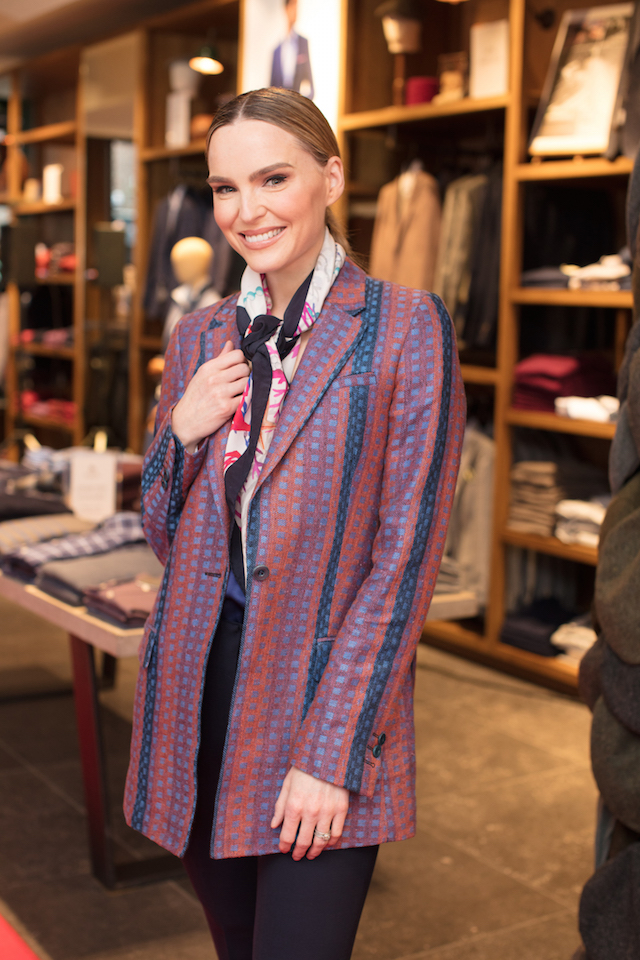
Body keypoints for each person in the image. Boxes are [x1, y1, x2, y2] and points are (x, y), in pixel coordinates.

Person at [125, 87, 465, 960]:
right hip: (199, 688)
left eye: (273, 179)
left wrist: (332, 751)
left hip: (321, 690)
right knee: (235, 943)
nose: (248, 211)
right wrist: (181, 433)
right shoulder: (200, 338)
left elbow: (405, 562)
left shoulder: (404, 327)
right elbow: (163, 536)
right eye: (225, 188)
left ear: (331, 178)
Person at [270, 0, 314, 98]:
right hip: (280, 101)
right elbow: (271, 85)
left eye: (297, 8)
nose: (296, 12)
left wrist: (304, 100)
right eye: (293, 7)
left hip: (297, 100)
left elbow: (310, 81)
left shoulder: (303, 43)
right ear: (286, 9)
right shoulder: (277, 50)